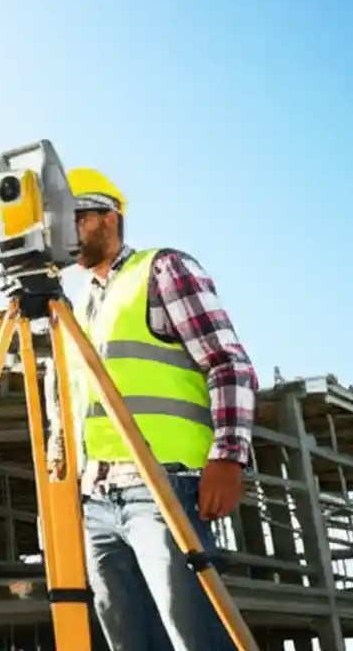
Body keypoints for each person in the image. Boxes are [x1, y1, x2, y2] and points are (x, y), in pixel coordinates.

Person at [45, 167, 257, 651]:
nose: (68, 233)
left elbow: (228, 363)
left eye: (78, 218)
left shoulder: (162, 269)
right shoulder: (76, 307)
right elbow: (67, 403)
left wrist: (228, 457)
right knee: (130, 642)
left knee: (194, 636)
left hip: (163, 485)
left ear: (110, 218)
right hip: (97, 502)